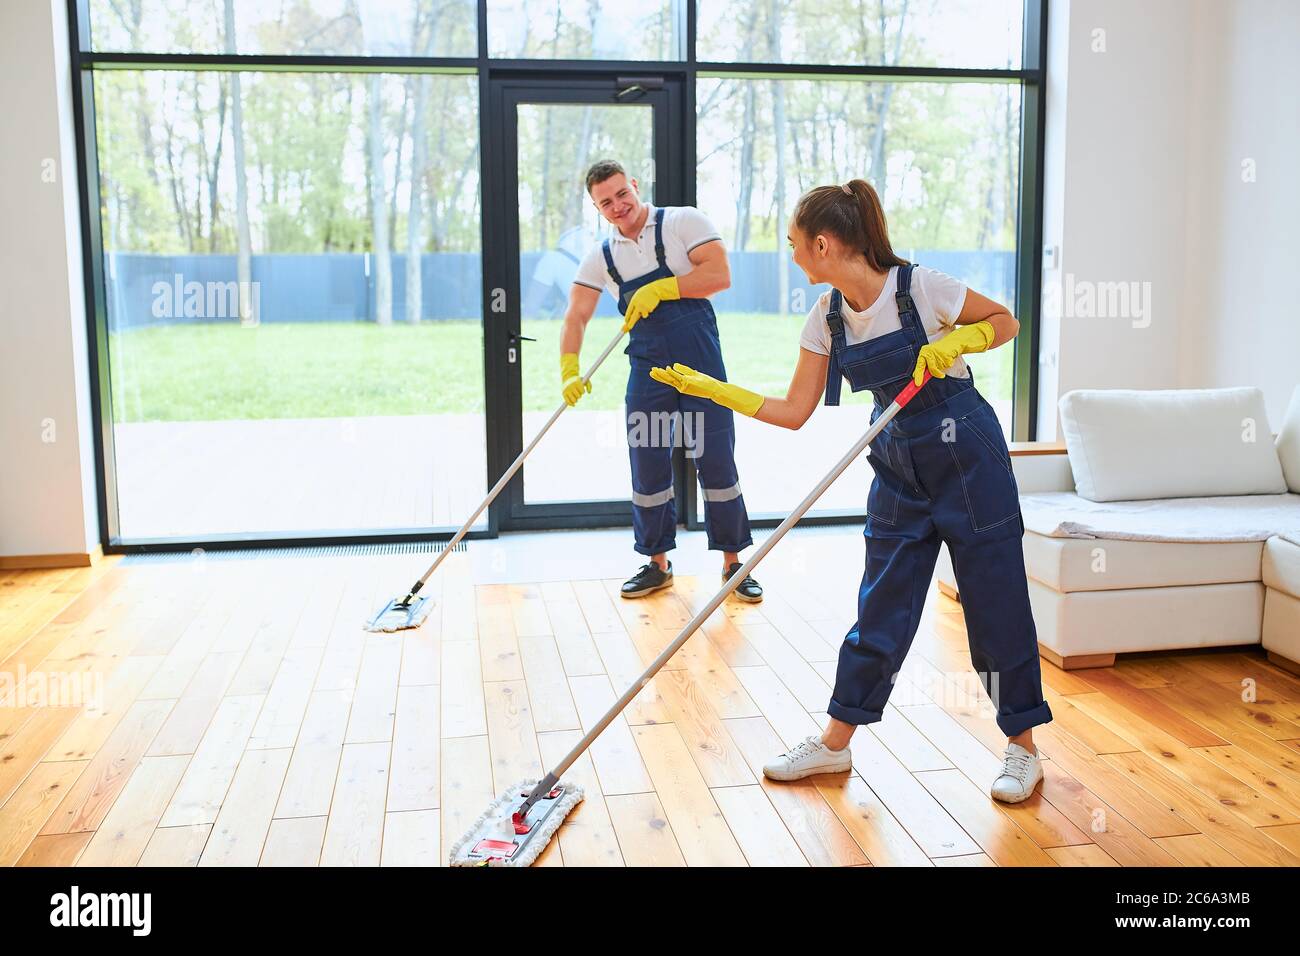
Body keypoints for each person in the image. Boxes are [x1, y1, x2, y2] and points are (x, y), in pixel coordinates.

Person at [649, 179, 1052, 803]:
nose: (790, 256)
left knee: (994, 600)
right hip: (896, 462)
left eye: (793, 245)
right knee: (880, 607)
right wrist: (713, 389)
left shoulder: (922, 288)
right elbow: (793, 410)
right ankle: (835, 747)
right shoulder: (827, 318)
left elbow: (1005, 321)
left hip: (967, 454)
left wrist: (962, 339)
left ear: (823, 244)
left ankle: (1022, 750)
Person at [559, 160, 763, 602]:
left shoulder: (683, 221)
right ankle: (656, 563)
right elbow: (576, 315)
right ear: (596, 207)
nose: (618, 206)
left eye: (621, 194)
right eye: (605, 202)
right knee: (647, 457)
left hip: (700, 364)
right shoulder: (601, 257)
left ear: (634, 185)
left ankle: (733, 563)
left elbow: (718, 275)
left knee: (715, 456)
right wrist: (569, 370)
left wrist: (664, 287)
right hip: (647, 368)